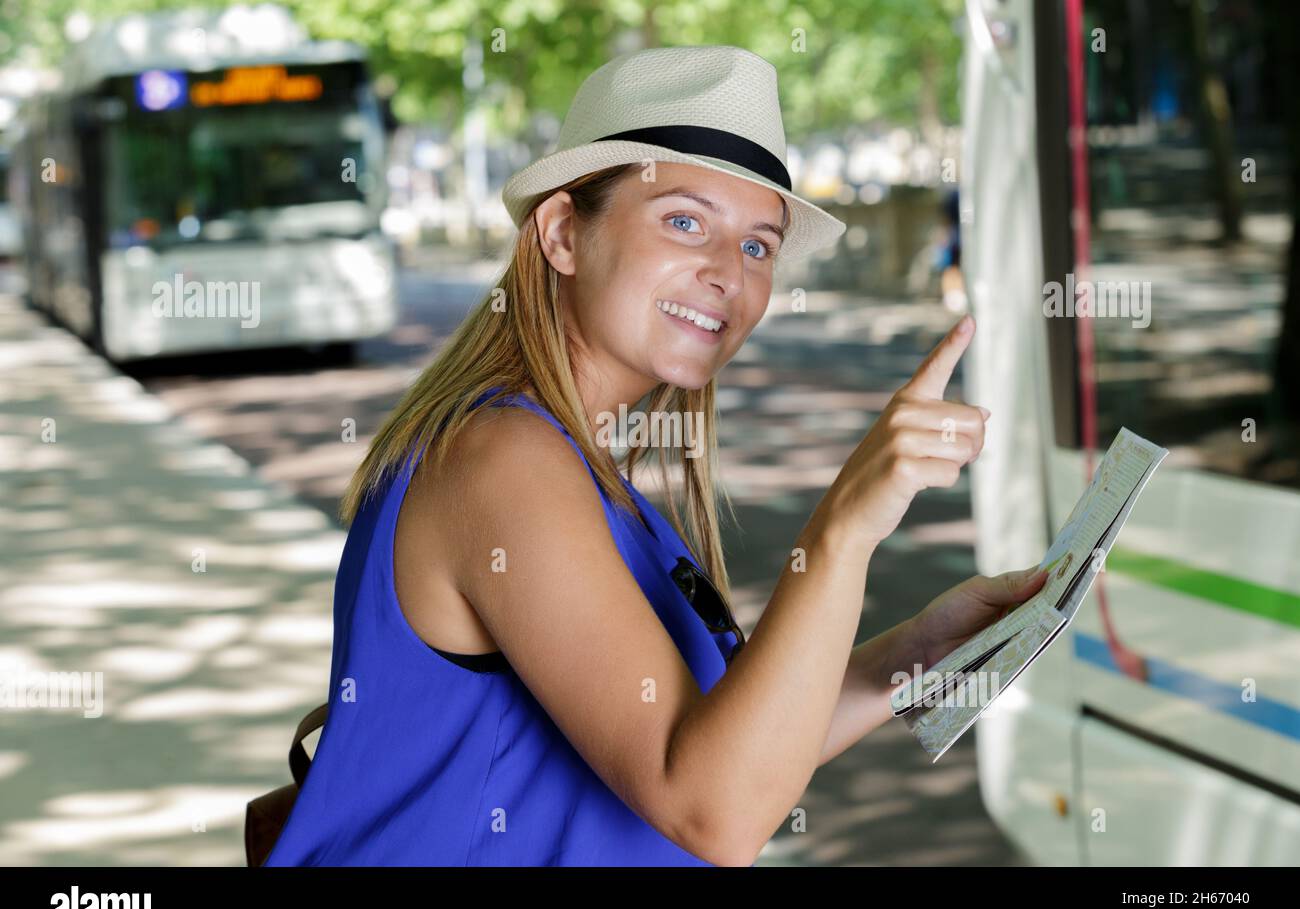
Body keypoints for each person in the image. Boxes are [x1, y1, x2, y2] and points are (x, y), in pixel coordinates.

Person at [263, 45, 1048, 867]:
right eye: (685, 221)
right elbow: (714, 810)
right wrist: (843, 530)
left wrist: (914, 655)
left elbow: (734, 752)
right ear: (563, 233)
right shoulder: (500, 461)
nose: (726, 275)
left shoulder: (593, 478)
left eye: (757, 246)